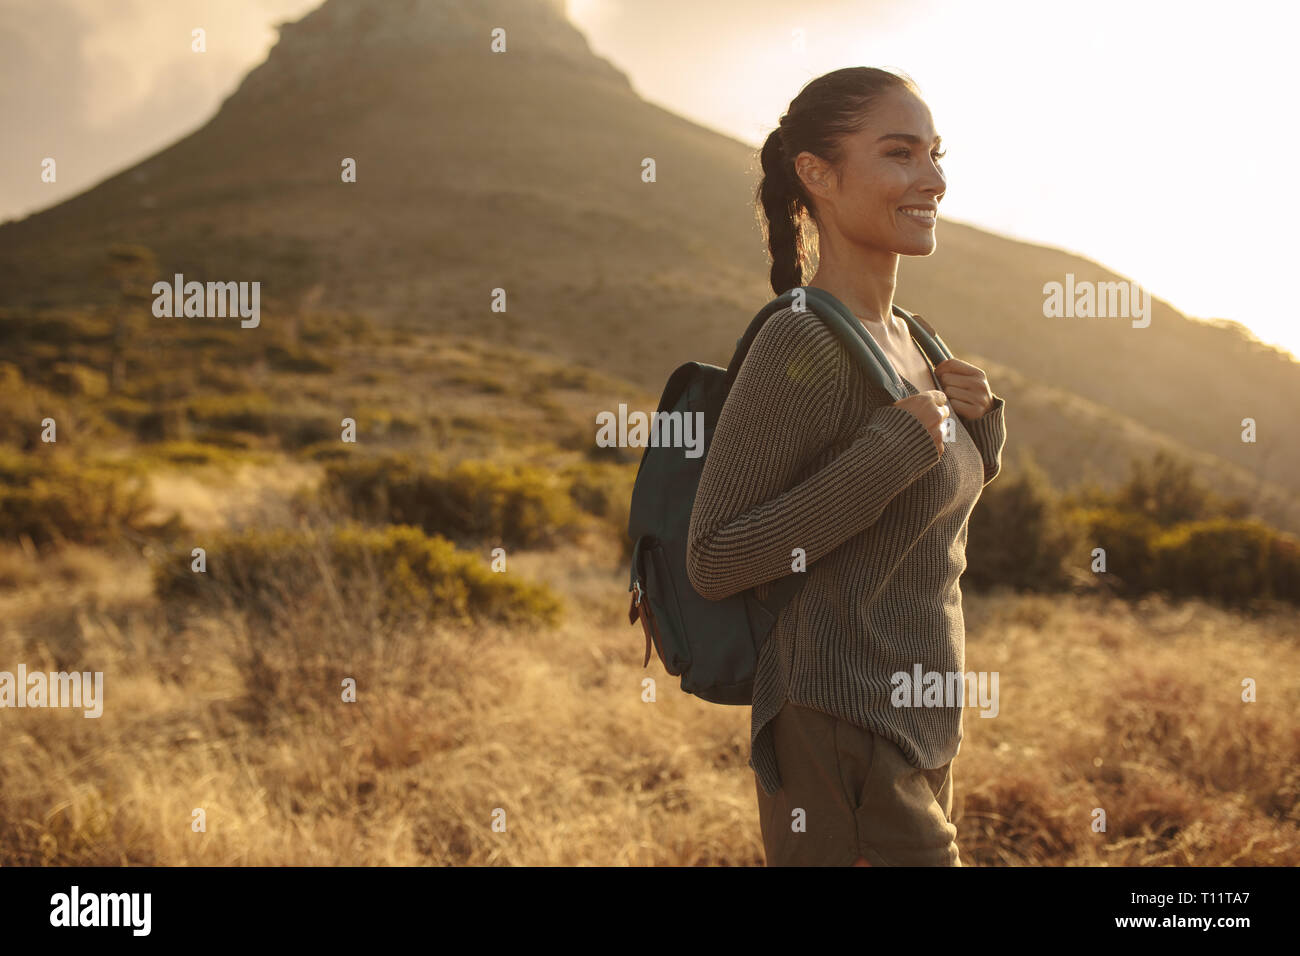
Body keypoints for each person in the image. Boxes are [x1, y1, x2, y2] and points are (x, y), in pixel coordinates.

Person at [685, 67, 1007, 866]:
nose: (932, 178)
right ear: (818, 176)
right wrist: (890, 453)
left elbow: (913, 532)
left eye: (934, 153)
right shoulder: (802, 339)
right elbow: (716, 557)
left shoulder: (915, 336)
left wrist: (980, 436)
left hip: (923, 721)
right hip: (838, 724)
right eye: (900, 154)